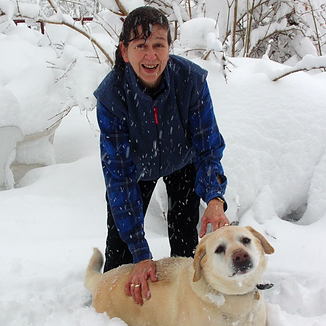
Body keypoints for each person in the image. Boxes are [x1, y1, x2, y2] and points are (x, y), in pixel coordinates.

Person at [94, 6, 229, 305]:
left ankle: (183, 303)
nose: (150, 55)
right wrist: (142, 254)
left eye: (158, 44)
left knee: (184, 245)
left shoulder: (190, 81)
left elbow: (207, 147)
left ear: (169, 46)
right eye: (141, 46)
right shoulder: (112, 96)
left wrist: (215, 198)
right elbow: (118, 176)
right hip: (134, 172)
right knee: (121, 253)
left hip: (182, 163)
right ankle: (107, 308)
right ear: (124, 50)